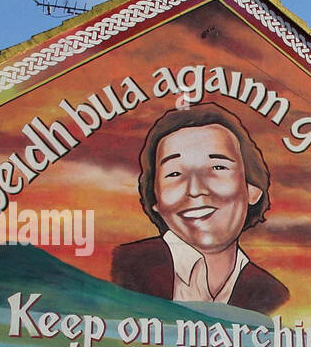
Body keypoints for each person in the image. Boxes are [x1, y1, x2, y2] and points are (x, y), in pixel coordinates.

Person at [111, 104, 290, 314]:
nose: (195, 190)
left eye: (218, 168)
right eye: (175, 174)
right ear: (156, 199)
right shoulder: (125, 267)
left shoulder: (272, 294)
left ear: (252, 189)